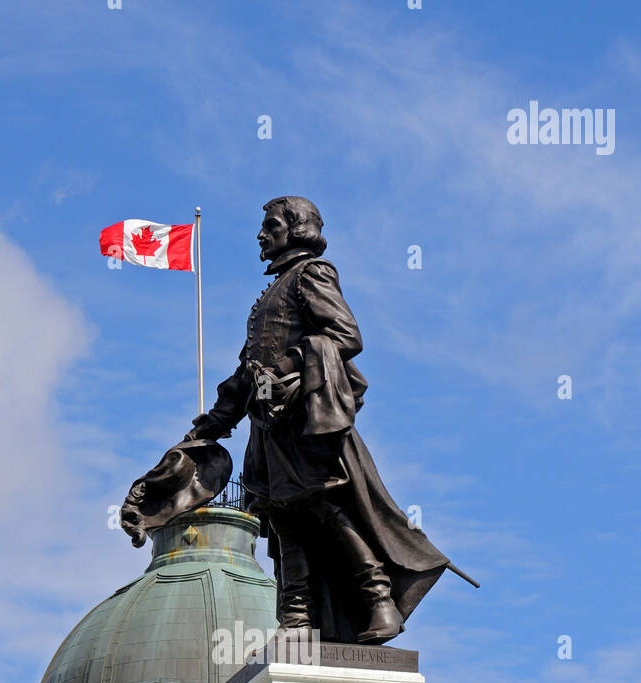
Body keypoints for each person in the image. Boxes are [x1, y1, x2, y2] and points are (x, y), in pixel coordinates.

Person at [182, 196, 453, 643]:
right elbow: (246, 372)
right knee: (286, 519)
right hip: (267, 429)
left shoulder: (311, 274)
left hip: (303, 421)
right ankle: (296, 620)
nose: (260, 235)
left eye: (270, 226)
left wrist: (288, 364)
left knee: (326, 507)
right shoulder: (269, 294)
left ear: (297, 229)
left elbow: (345, 335)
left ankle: (380, 600)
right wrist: (212, 423)